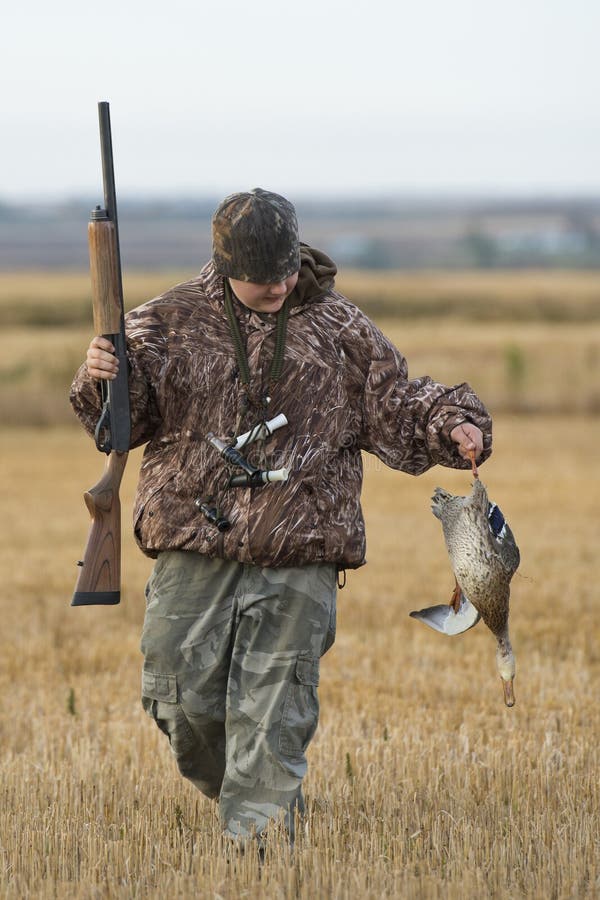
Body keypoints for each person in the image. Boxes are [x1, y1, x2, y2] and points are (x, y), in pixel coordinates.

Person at [71, 188, 491, 848]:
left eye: (287, 272)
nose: (279, 286)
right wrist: (101, 377)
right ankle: (251, 796)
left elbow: (400, 406)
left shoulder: (340, 328)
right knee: (181, 701)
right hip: (192, 540)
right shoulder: (165, 322)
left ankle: (260, 848)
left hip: (302, 545)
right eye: (262, 279)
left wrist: (453, 424)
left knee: (273, 711)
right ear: (224, 263)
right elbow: (118, 425)